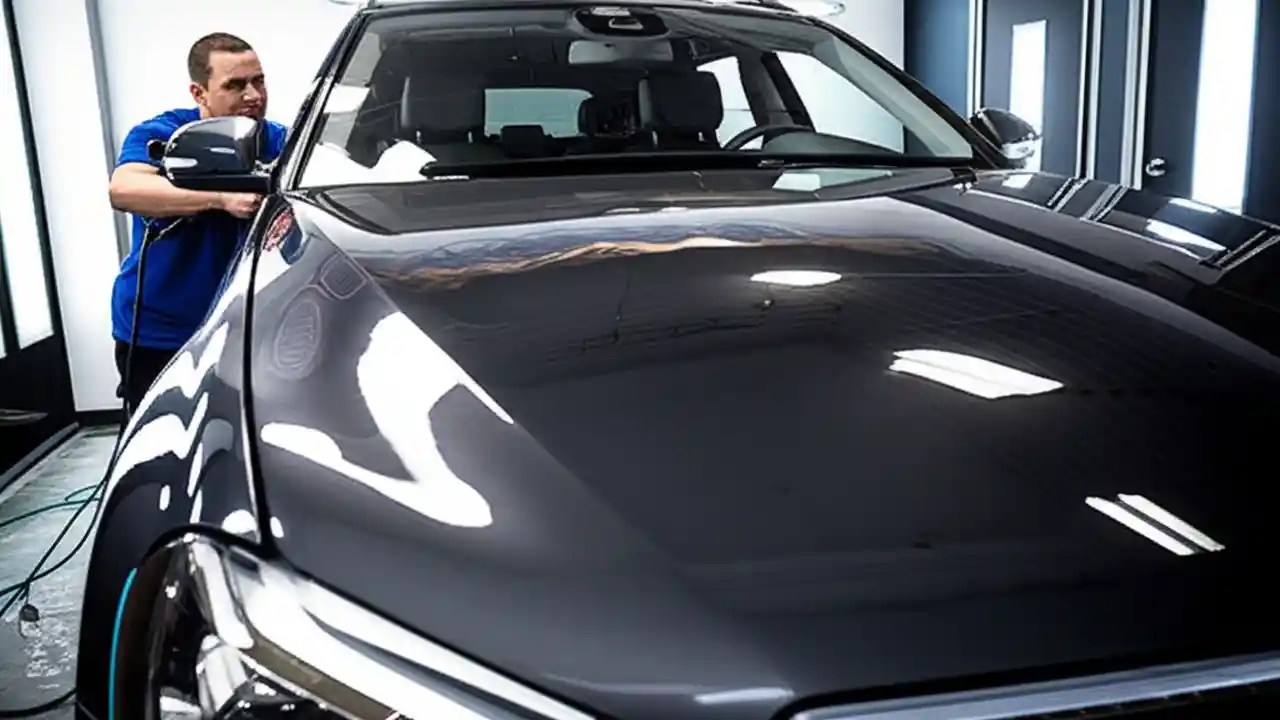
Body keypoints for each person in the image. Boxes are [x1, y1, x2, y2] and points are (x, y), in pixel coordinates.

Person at [108, 32, 288, 413]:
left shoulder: (277, 141)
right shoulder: (162, 134)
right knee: (159, 440)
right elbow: (124, 189)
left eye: (259, 80)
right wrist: (219, 200)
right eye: (235, 85)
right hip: (162, 330)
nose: (254, 95)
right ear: (199, 93)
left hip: (244, 326)